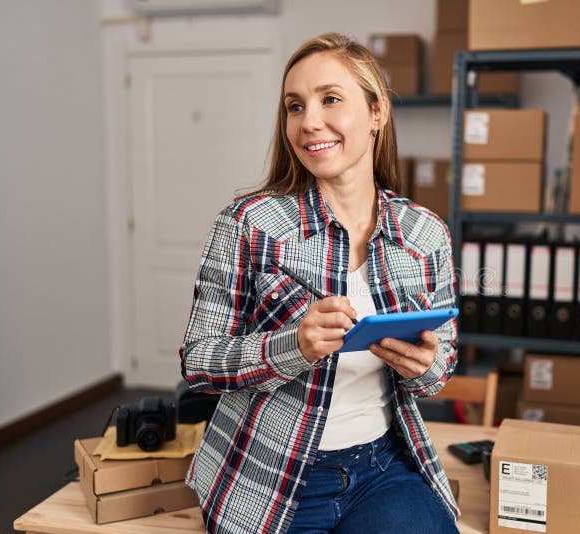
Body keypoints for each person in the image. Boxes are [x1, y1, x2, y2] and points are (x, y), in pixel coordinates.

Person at [179, 32, 459, 534]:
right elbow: (198, 362)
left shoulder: (425, 233)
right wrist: (294, 346)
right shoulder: (249, 225)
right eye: (294, 106)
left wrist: (424, 366)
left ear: (377, 113)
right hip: (268, 478)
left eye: (330, 99)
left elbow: (440, 370)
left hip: (381, 469)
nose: (309, 121)